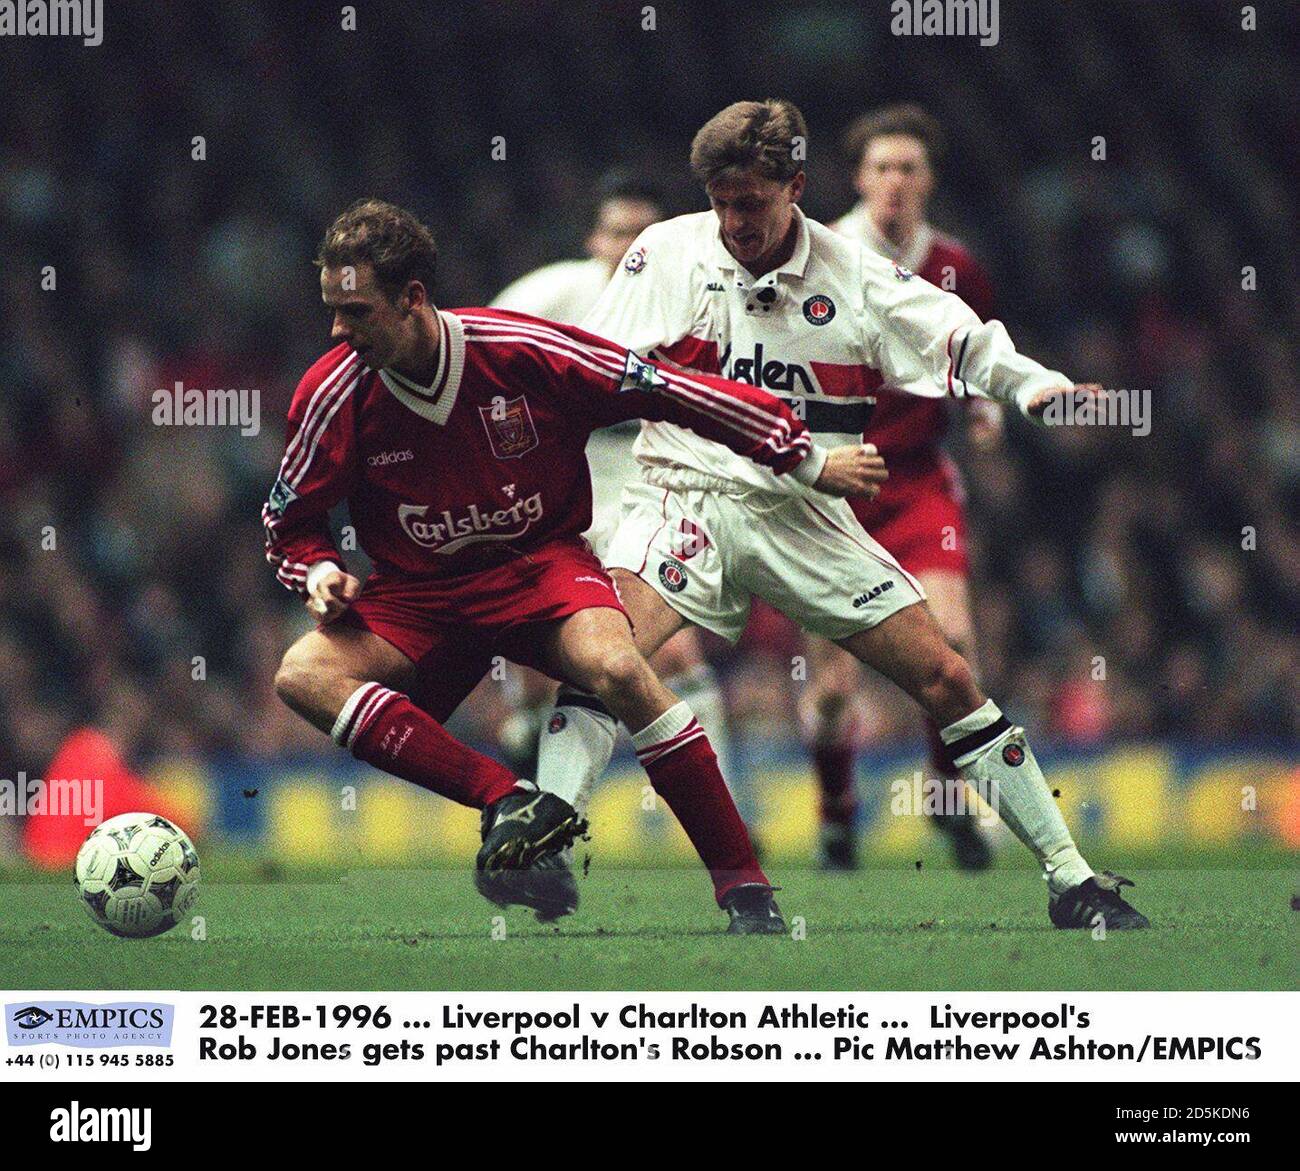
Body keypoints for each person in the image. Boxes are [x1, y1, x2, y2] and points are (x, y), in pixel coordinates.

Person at [490, 100, 1149, 931]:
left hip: (805, 514)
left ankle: (1071, 877)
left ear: (795, 188)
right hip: (683, 498)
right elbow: (591, 367)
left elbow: (961, 338)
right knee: (598, 659)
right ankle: (546, 846)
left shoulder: (856, 276)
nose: (735, 220)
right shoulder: (666, 253)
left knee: (946, 674)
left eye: (753, 202)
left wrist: (1032, 385)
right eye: (722, 201)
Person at [264, 197, 882, 932]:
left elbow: (671, 390)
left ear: (413, 300)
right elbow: (287, 523)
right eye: (332, 311)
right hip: (420, 597)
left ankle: (745, 888)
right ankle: (507, 798)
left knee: (620, 668)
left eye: (355, 311)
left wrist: (799, 452)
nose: (338, 330)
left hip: (540, 568)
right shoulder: (332, 393)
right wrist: (318, 573)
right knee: (302, 674)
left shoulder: (522, 351)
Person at [489, 174, 739, 798]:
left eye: (642, 234)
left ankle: (726, 806)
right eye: (617, 232)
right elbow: (476, 361)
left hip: (651, 472)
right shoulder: (548, 293)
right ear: (595, 239)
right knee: (548, 655)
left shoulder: (696, 298)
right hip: (563, 475)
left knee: (678, 655)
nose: (629, 245)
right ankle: (531, 745)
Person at [800, 102, 1001, 870]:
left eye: (908, 168)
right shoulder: (821, 256)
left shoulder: (957, 263)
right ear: (857, 178)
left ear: (928, 180)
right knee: (830, 683)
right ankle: (837, 813)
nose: (894, 182)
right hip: (830, 490)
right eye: (881, 167)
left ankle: (948, 801)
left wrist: (984, 411)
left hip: (917, 481)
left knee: (952, 642)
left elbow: (980, 350)